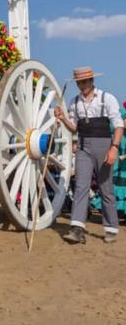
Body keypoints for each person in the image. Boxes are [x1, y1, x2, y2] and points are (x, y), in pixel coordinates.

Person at [54, 66, 124, 244]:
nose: (82, 85)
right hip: (84, 146)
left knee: (105, 188)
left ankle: (111, 228)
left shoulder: (106, 98)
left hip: (104, 145)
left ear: (92, 80)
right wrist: (62, 118)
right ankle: (77, 229)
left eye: (85, 81)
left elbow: (118, 125)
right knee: (81, 186)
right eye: (79, 82)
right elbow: (74, 128)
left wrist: (114, 147)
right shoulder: (74, 102)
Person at [91, 103, 126, 219]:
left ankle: (121, 211)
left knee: (122, 184)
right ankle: (108, 210)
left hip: (123, 164)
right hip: (114, 158)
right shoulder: (114, 132)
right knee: (111, 184)